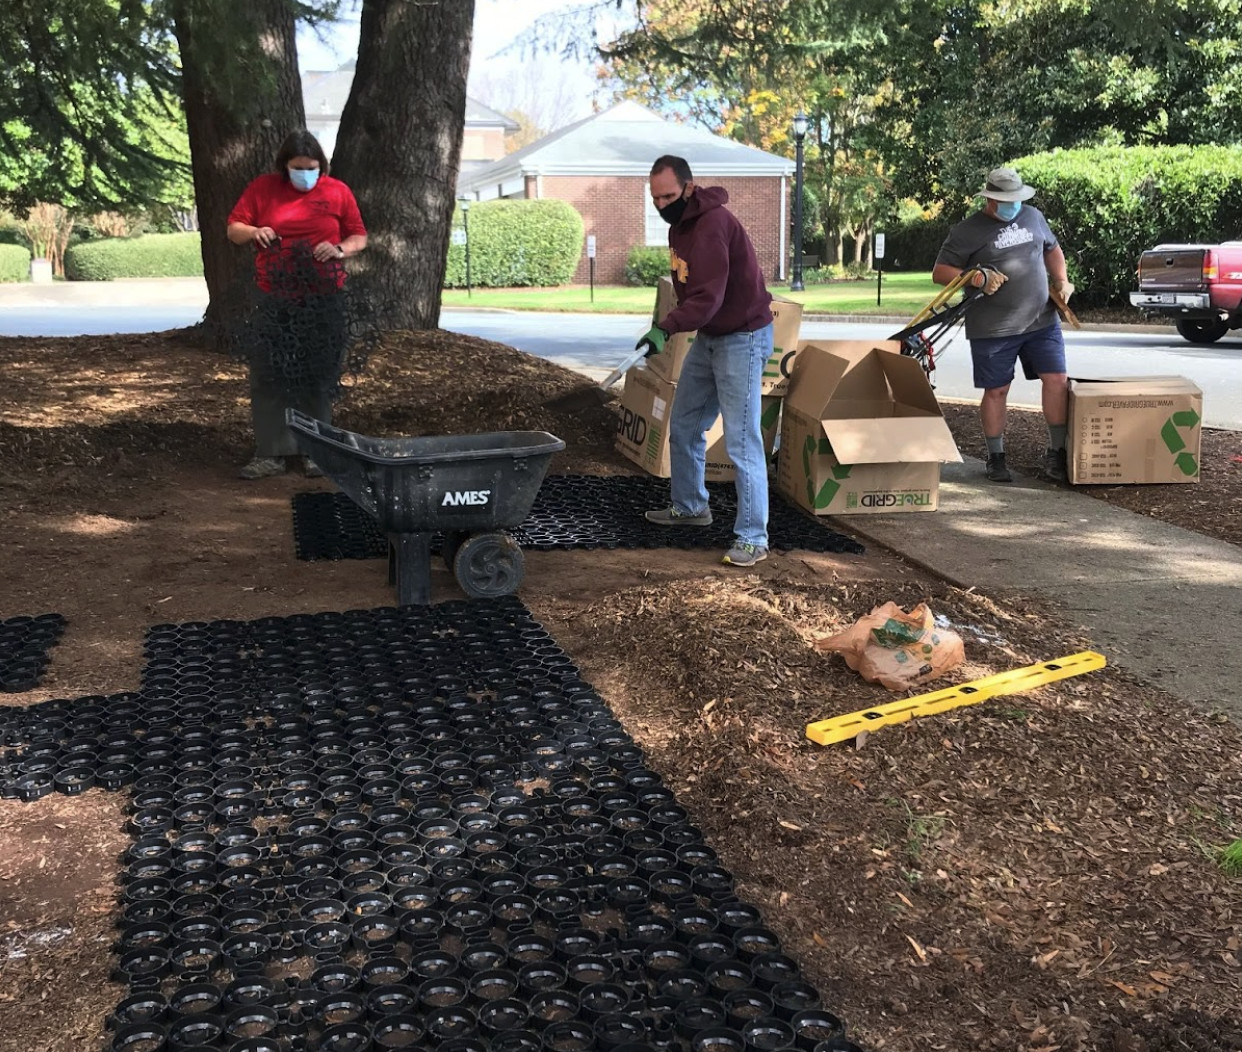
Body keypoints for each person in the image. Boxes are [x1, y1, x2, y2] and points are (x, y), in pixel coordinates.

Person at [638, 155, 775, 567]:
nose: (661, 205)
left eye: (668, 196)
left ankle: (753, 538)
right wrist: (671, 326)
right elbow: (693, 294)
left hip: (743, 337)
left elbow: (707, 297)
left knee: (741, 440)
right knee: (684, 424)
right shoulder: (679, 226)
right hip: (711, 335)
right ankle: (691, 506)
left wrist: (665, 328)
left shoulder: (713, 225)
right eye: (655, 198)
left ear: (689, 187)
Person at [226, 129, 368, 480]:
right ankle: (272, 451)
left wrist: (339, 249)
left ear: (322, 166)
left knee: (317, 374)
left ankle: (315, 451)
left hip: (323, 298)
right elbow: (234, 228)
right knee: (269, 374)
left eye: (311, 168)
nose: (305, 174)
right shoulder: (263, 189)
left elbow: (359, 236)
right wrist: (254, 232)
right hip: (275, 297)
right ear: (284, 166)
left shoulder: (337, 191)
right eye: (298, 168)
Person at [932, 166, 1073, 483]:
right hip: (993, 328)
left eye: (1017, 199)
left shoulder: (1033, 216)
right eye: (1007, 201)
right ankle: (995, 457)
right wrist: (976, 277)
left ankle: (1057, 452)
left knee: (1057, 380)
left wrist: (1062, 280)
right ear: (991, 199)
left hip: (1041, 320)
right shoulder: (966, 231)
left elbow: (1052, 249)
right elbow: (940, 272)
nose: (1013, 206)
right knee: (997, 390)